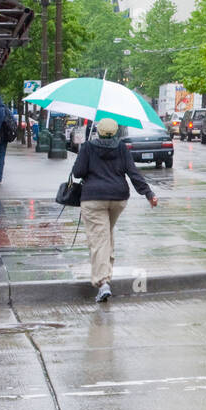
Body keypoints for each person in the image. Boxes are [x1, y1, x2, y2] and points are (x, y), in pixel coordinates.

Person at [72, 117, 158, 303]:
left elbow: (77, 172)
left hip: (93, 199)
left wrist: (83, 154)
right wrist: (148, 194)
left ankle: (102, 283)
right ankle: (107, 275)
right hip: (118, 199)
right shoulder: (121, 148)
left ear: (99, 131)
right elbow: (133, 173)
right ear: (116, 132)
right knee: (106, 235)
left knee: (99, 239)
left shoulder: (88, 147)